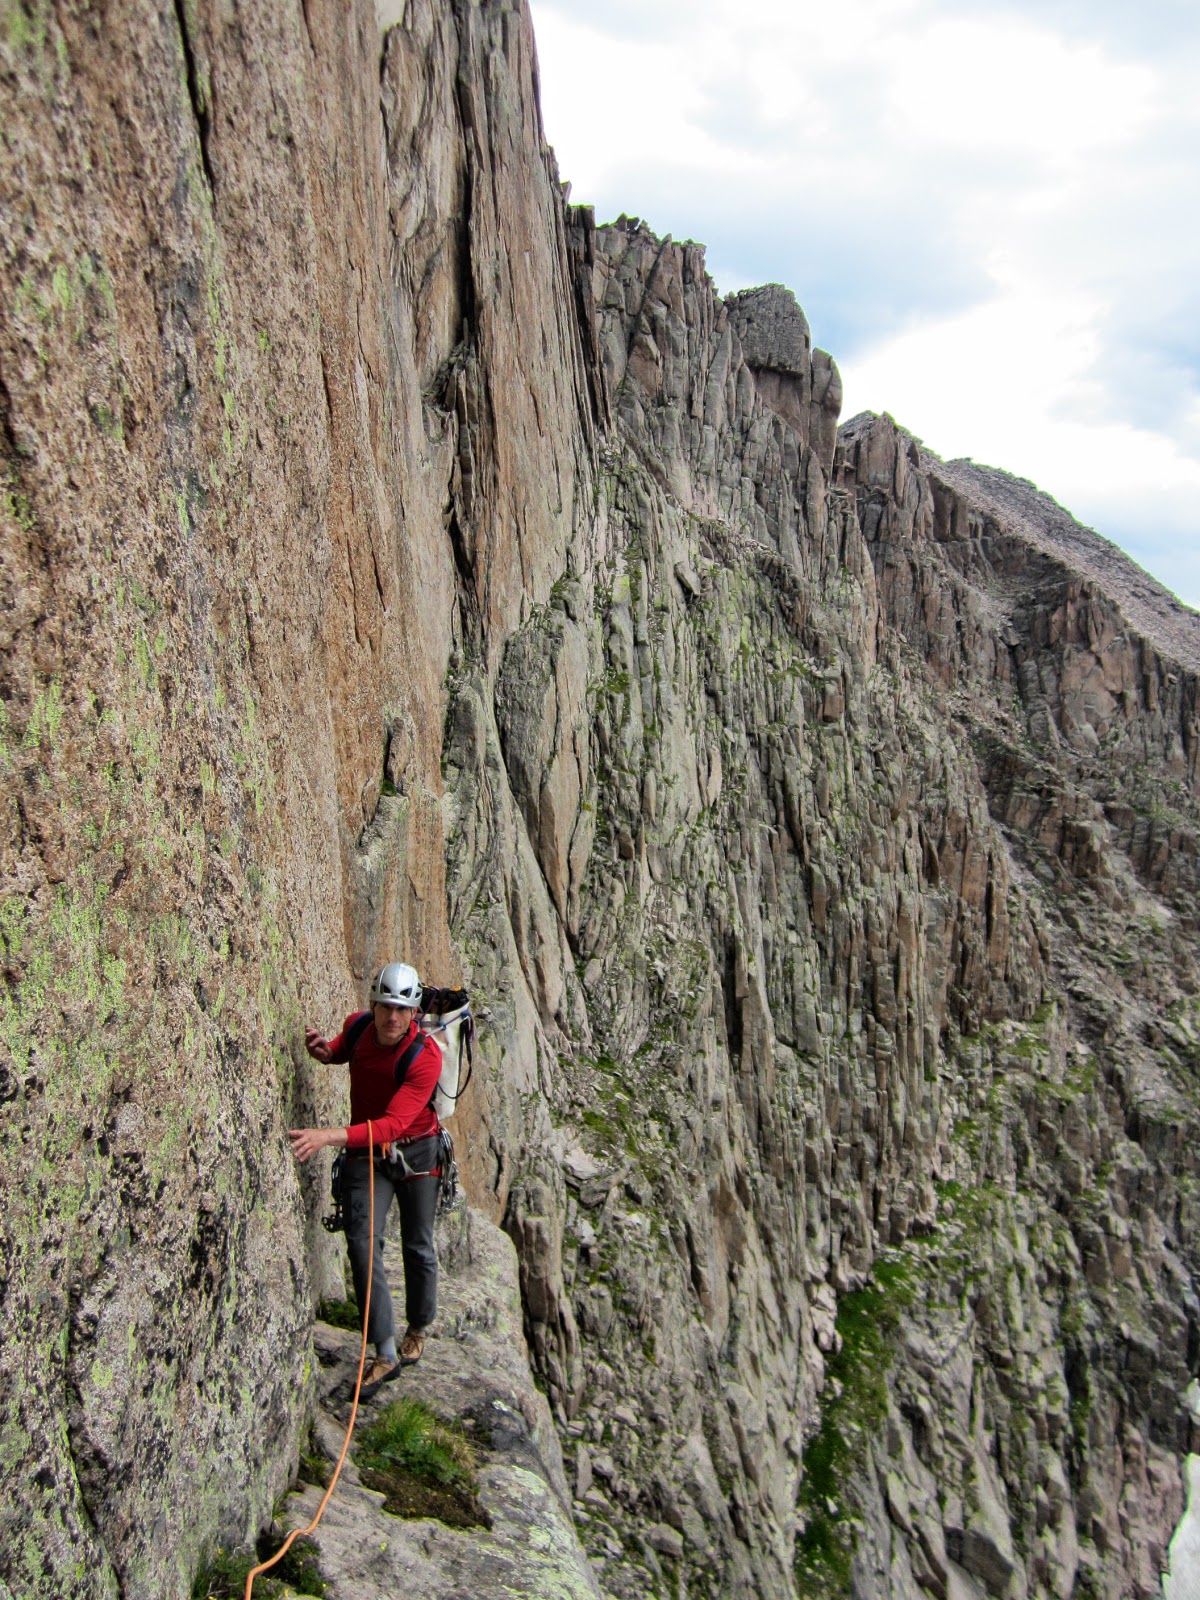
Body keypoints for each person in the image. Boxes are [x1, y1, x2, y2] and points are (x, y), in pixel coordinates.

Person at [290, 961, 443, 1392]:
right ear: (372, 1006)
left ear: (414, 1015)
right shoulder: (357, 1027)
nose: (392, 1018)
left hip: (416, 1151)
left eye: (401, 1010)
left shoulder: (425, 1058)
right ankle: (384, 1352)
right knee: (361, 1243)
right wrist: (326, 1051)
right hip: (367, 1150)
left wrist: (328, 1137)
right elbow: (345, 1050)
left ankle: (418, 1327)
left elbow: (393, 1125)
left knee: (418, 1243)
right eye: (385, 1007)